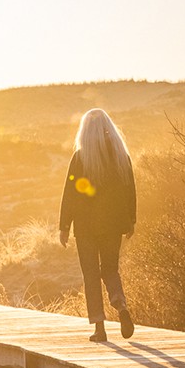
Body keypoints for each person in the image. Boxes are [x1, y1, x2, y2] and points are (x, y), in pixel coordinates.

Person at [58, 108, 136, 342]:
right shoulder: (121, 157)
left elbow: (69, 193)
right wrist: (131, 220)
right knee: (110, 269)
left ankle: (99, 329)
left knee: (90, 274)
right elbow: (130, 190)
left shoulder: (80, 157)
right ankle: (120, 306)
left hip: (85, 227)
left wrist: (64, 226)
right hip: (112, 225)